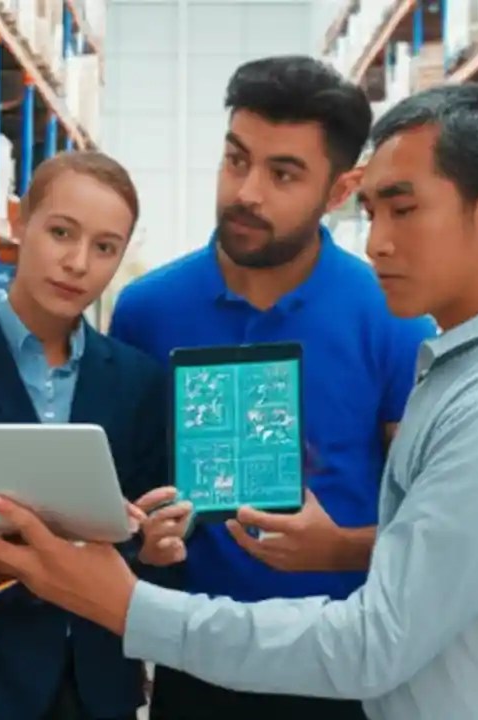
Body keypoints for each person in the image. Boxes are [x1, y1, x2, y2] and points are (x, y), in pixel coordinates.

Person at [0, 83, 478, 720]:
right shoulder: (460, 371)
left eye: (404, 209)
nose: (378, 242)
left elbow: (375, 642)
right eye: (372, 214)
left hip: (328, 667)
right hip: (219, 665)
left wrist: (129, 607)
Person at [107, 55, 436, 719]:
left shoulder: (394, 319)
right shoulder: (146, 312)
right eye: (236, 159)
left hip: (341, 676)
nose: (246, 191)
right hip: (191, 663)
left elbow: (435, 532)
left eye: (283, 173)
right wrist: (142, 541)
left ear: (341, 191)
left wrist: (339, 547)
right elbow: (118, 495)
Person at [0, 151, 185, 720]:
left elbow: (140, 540)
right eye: (60, 233)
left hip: (99, 684)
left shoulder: (137, 381)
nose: (77, 263)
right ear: (19, 221)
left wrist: (153, 544)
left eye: (104, 248)